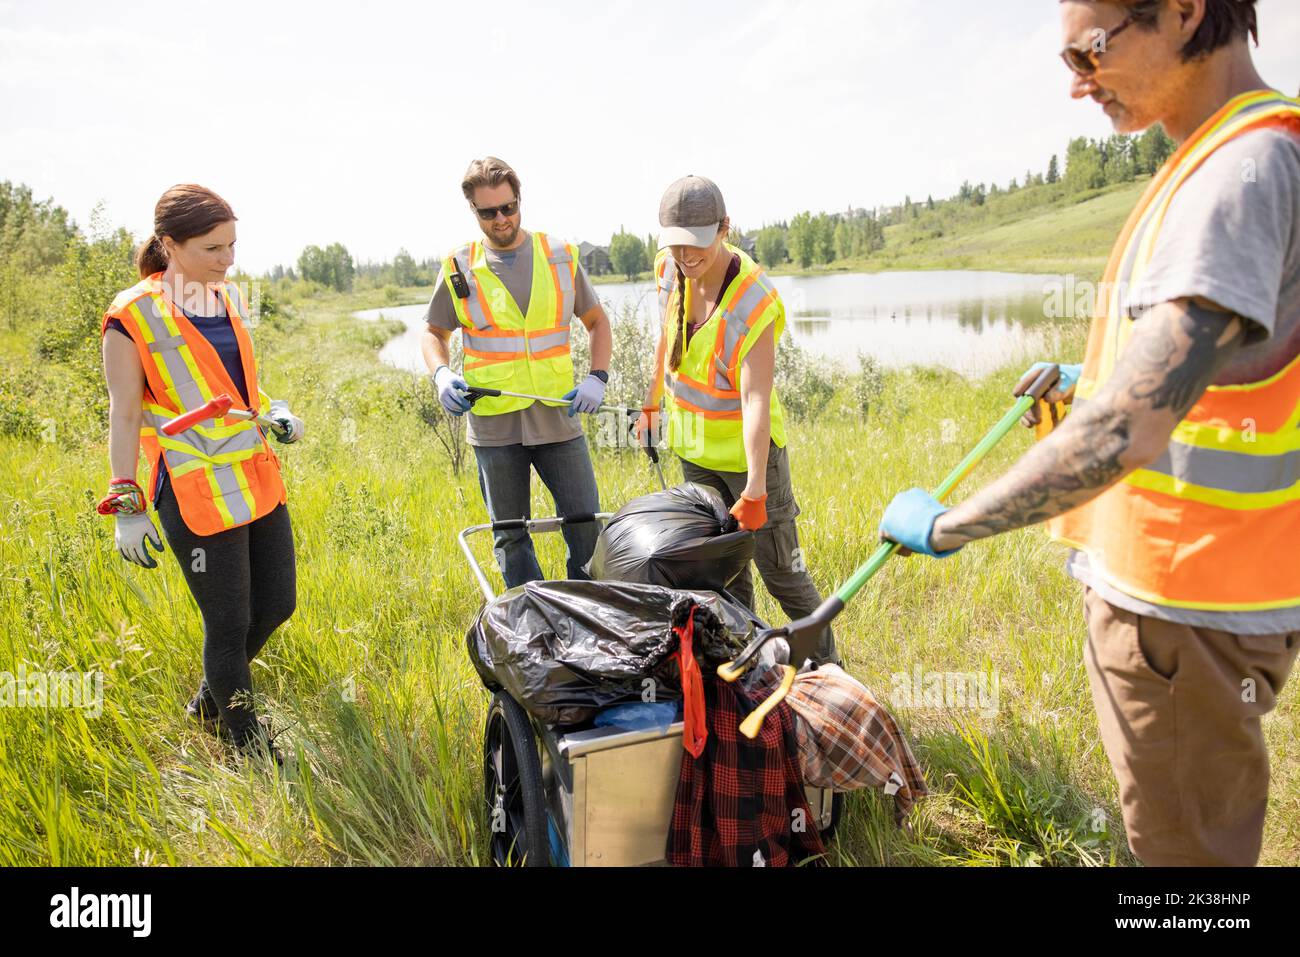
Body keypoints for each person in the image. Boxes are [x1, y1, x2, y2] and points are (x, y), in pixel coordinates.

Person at [880, 0, 1299, 866]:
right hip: (1196, 608)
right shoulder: (1228, 155)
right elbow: (1216, 366)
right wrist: (1092, 378)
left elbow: (1125, 429)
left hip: (1182, 610)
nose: (1077, 84)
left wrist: (950, 525)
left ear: (1184, 13)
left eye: (1089, 52)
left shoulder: (1238, 171)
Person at [98, 184, 303, 764]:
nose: (228, 259)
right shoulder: (131, 315)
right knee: (228, 619)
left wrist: (274, 408)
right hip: (190, 484)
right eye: (214, 248)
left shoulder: (228, 297)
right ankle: (246, 743)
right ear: (170, 245)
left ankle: (209, 704)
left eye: (233, 245)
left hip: (253, 468)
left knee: (277, 603)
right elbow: (125, 412)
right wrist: (128, 505)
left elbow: (230, 383)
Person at [641, 175, 837, 666]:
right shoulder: (669, 268)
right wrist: (650, 403)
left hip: (749, 460)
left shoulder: (753, 300)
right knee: (721, 574)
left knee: (781, 572)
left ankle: (833, 675)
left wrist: (754, 488)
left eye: (697, 246)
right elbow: (667, 338)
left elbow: (755, 399)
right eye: (676, 245)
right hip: (695, 453)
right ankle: (744, 671)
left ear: (725, 228)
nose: (686, 258)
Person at [421, 157, 613, 588]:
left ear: (519, 201)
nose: (501, 219)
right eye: (488, 212)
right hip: (493, 424)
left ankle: (591, 610)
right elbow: (434, 332)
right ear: (473, 211)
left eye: (508, 207)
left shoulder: (559, 256)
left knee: (585, 525)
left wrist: (597, 377)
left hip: (557, 416)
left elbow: (598, 322)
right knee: (509, 535)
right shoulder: (458, 266)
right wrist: (440, 374)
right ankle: (532, 620)